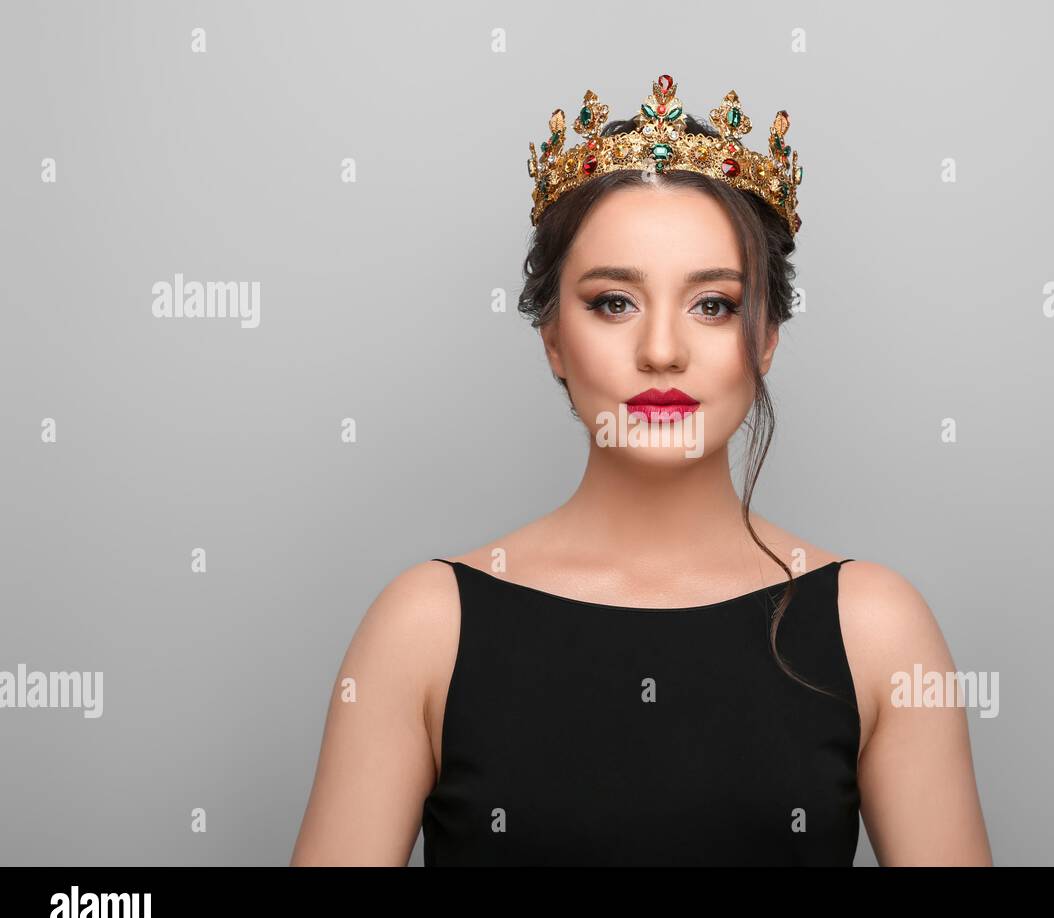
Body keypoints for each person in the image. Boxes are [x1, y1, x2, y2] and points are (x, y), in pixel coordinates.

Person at [291, 73, 992, 866]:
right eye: (614, 302)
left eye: (714, 304)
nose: (662, 350)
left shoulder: (875, 629)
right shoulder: (425, 627)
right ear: (553, 337)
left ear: (765, 339)